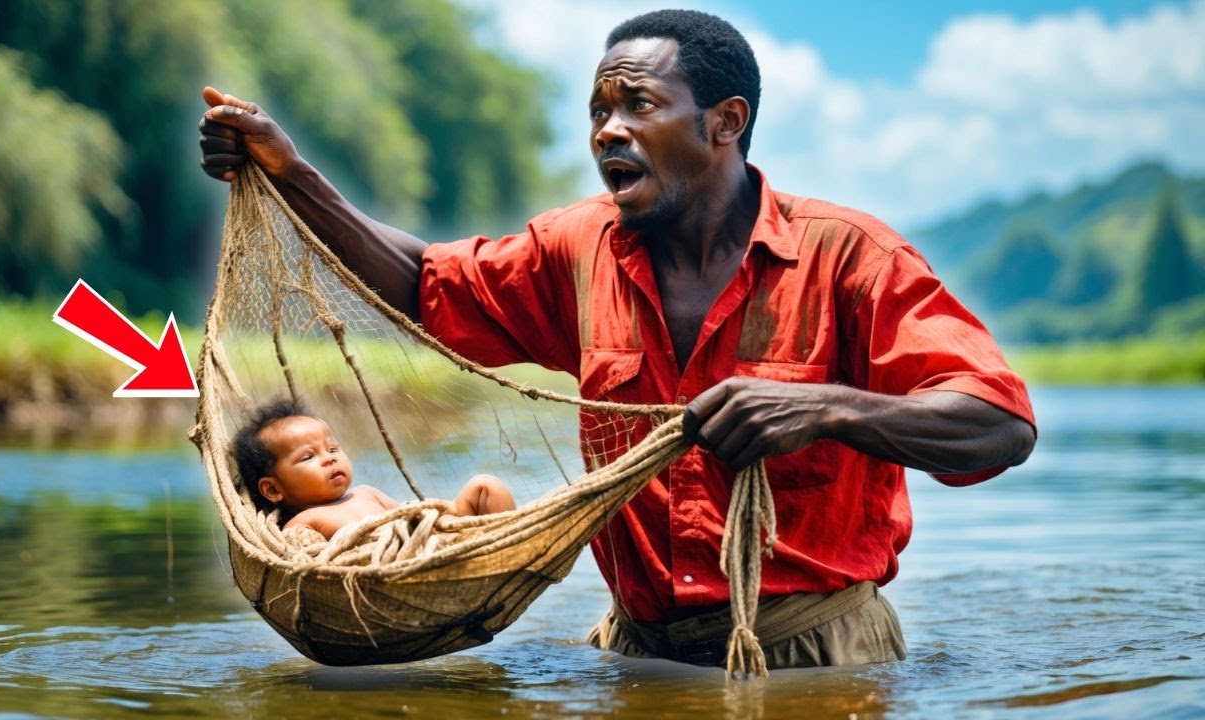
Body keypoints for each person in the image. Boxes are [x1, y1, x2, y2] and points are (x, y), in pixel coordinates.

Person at [199, 9, 1036, 670]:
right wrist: (291, 175)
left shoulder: (848, 256)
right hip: (637, 655)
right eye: (598, 109)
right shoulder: (576, 250)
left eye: (638, 104)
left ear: (725, 122)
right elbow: (423, 283)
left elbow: (998, 424)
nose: (606, 130)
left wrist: (824, 408)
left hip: (816, 660)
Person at [231, 400, 515, 540]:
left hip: (434, 547)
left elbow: (416, 516)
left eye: (332, 449)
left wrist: (440, 522)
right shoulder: (303, 525)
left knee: (485, 485)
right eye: (308, 457)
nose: (329, 459)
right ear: (272, 489)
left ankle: (515, 556)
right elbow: (309, 570)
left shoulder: (366, 493)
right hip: (384, 578)